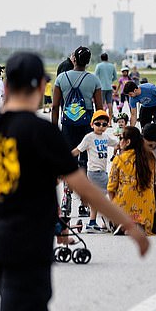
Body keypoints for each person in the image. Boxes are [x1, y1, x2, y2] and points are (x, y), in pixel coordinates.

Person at [0, 53, 147, 311]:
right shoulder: (39, 132)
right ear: (41, 88)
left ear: (7, 86)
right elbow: (84, 188)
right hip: (26, 247)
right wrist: (128, 224)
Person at [52, 46, 103, 218]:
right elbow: (100, 109)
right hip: (87, 126)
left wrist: (54, 129)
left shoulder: (61, 78)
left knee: (68, 163)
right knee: (85, 164)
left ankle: (66, 199)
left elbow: (55, 106)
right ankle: (84, 203)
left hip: (67, 126)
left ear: (73, 59)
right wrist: (100, 130)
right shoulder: (94, 80)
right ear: (88, 61)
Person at [70, 110, 118, 232]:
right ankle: (112, 219)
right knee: (113, 191)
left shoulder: (106, 137)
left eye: (104, 124)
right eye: (98, 124)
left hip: (102, 171)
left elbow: (117, 144)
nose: (101, 127)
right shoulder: (89, 137)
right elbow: (78, 150)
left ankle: (92, 223)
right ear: (92, 124)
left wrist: (123, 146)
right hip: (94, 172)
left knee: (97, 198)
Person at [108, 126, 156, 234]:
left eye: (121, 139)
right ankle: (139, 223)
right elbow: (152, 181)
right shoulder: (150, 157)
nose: (119, 142)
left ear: (128, 142)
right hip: (146, 206)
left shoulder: (120, 159)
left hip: (124, 203)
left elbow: (111, 187)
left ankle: (124, 225)